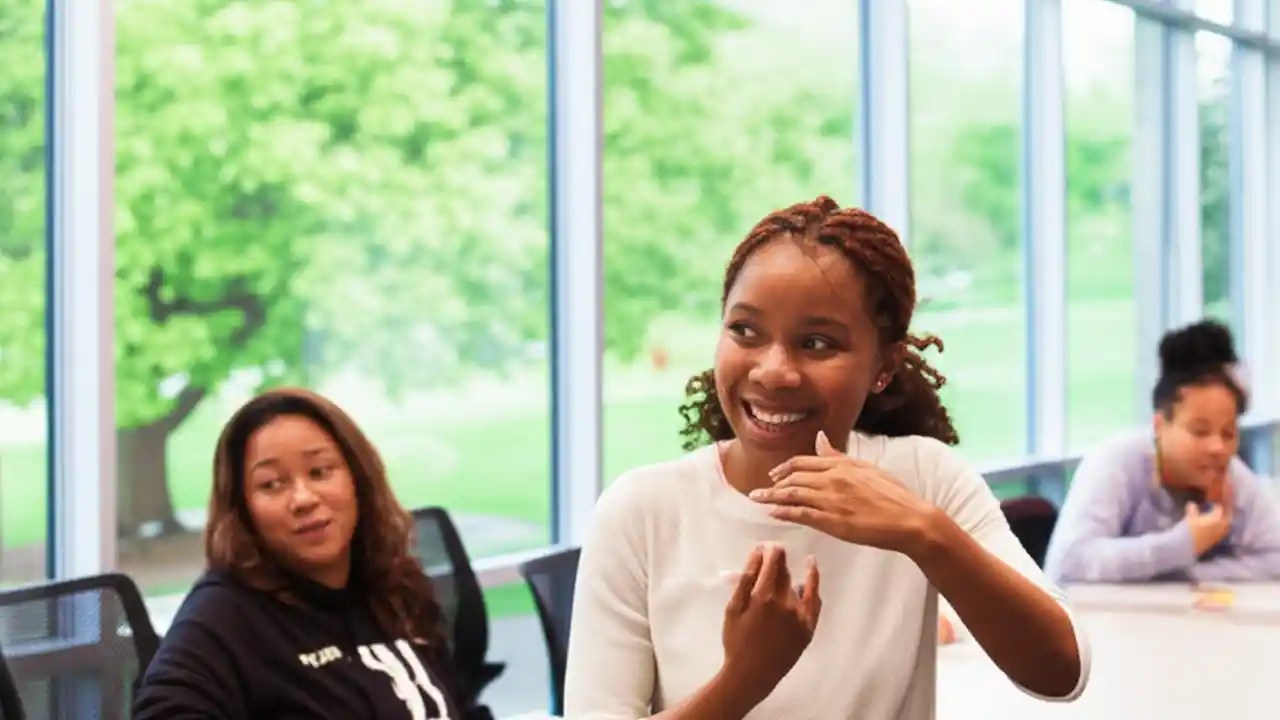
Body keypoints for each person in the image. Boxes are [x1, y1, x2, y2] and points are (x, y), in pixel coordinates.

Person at [564, 197, 1089, 719]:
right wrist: (745, 679)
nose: (773, 371)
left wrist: (924, 534)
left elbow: (1063, 672)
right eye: (744, 330)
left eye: (816, 343)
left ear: (884, 365)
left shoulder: (924, 478)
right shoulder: (641, 511)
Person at [134, 387, 478, 720]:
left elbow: (460, 706)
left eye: (320, 472)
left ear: (358, 479)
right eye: (271, 484)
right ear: (243, 509)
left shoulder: (392, 584)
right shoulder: (224, 615)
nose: (303, 498)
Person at [1044, 320, 1280, 584]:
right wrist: (1183, 544)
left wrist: (1185, 575)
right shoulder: (1117, 462)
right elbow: (1069, 563)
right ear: (1159, 425)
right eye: (1200, 432)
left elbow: (1274, 559)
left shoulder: (1233, 477)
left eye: (1228, 433)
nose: (1217, 447)